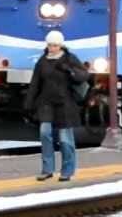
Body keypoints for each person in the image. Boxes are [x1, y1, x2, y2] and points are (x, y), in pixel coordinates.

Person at [26, 30, 89, 182]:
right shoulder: (42, 61)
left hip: (65, 104)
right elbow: (35, 83)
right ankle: (47, 169)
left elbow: (84, 76)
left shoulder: (69, 59)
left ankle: (67, 170)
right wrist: (29, 102)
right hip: (46, 103)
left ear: (60, 45)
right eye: (49, 45)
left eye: (54, 45)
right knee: (44, 134)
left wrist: (70, 70)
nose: (51, 48)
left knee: (65, 138)